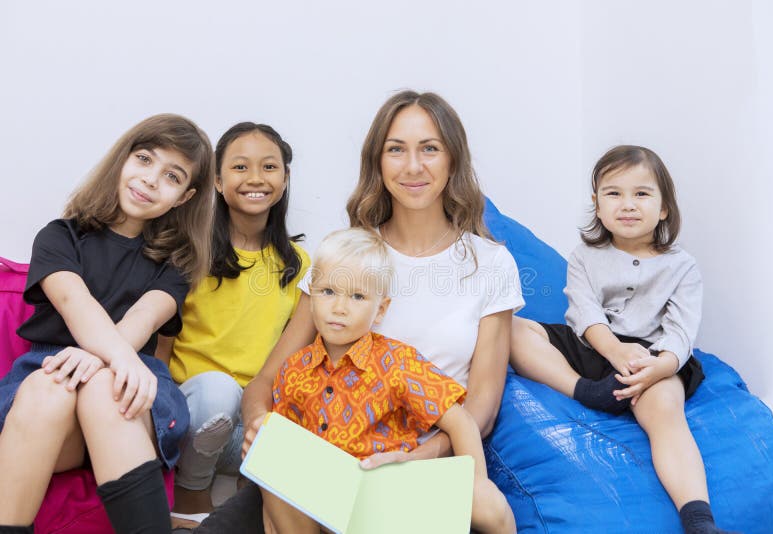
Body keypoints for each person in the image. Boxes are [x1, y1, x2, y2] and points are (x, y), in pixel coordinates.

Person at [195, 90, 524, 533]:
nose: (413, 166)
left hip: (419, 468)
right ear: (377, 161)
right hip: (323, 465)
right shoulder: (347, 257)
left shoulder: (490, 264)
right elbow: (268, 381)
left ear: (453, 159)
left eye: (429, 148)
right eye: (396, 150)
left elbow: (480, 406)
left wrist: (411, 460)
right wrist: (260, 427)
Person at [0, 114, 215, 534]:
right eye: (144, 159)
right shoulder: (60, 236)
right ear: (122, 160)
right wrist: (93, 356)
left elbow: (144, 316)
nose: (151, 180)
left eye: (171, 176)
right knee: (51, 382)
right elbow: (73, 302)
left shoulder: (177, 264)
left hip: (126, 388)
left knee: (105, 386)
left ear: (185, 197)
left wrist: (104, 361)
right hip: (50, 400)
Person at [509, 145, 729, 534]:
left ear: (664, 208)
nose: (627, 204)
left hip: (652, 355)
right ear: (597, 205)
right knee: (510, 329)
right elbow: (585, 313)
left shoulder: (681, 266)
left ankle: (699, 521)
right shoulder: (584, 257)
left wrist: (657, 367)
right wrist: (612, 349)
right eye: (614, 194)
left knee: (665, 413)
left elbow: (681, 331)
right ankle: (586, 392)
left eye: (641, 194)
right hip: (593, 344)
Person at [261, 227, 514, 533]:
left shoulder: (395, 361)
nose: (339, 307)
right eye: (328, 292)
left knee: (492, 504)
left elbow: (461, 421)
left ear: (380, 309)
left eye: (357, 296)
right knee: (272, 453)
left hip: (390, 491)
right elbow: (279, 456)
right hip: (327, 501)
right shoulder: (294, 371)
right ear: (311, 294)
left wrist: (476, 483)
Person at [155, 122, 309, 530]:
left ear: (285, 178)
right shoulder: (189, 252)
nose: (256, 178)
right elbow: (162, 345)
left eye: (269, 167)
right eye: (240, 168)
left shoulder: (300, 266)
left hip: (254, 421)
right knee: (218, 390)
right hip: (195, 413)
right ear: (219, 182)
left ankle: (250, 495)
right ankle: (190, 494)